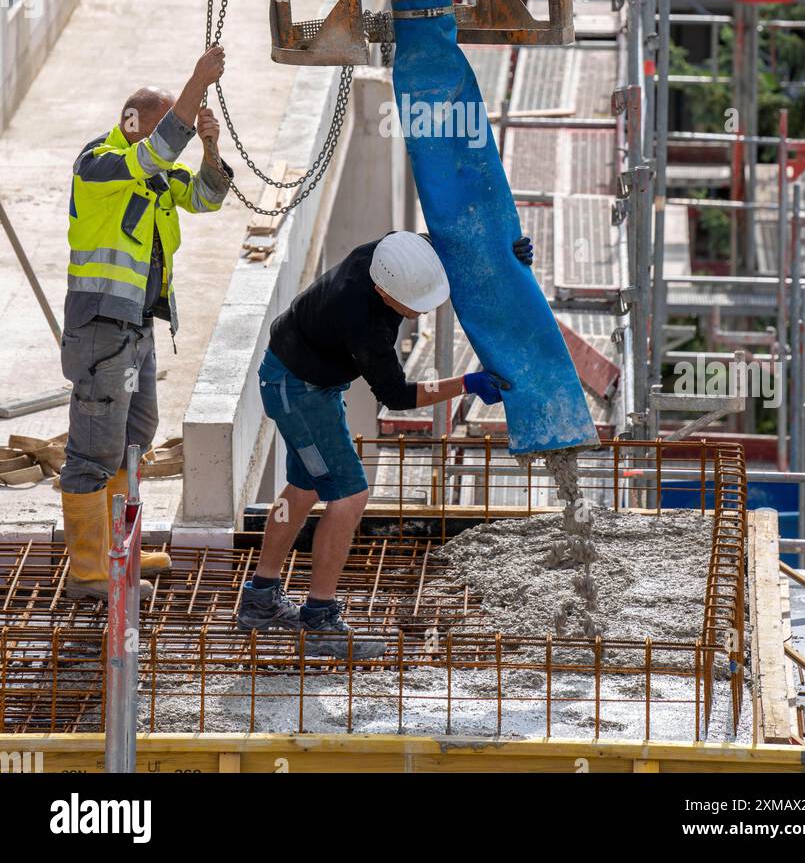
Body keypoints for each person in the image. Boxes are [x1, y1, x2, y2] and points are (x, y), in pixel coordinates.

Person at [237, 229, 534, 652]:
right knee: (351, 494)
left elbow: (453, 244)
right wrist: (466, 382)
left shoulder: (399, 252)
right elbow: (397, 396)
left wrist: (507, 253)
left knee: (303, 488)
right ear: (383, 291)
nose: (415, 314)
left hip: (304, 377)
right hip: (297, 391)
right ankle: (319, 619)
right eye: (408, 307)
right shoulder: (361, 322)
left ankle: (260, 600)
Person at [59, 45, 232, 601]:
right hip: (100, 330)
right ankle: (88, 567)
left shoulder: (152, 175)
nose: (168, 144)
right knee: (93, 448)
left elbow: (206, 199)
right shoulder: (101, 164)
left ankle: (119, 547)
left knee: (134, 436)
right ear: (133, 124)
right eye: (162, 131)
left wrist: (210, 148)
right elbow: (157, 150)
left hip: (136, 329)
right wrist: (197, 82)